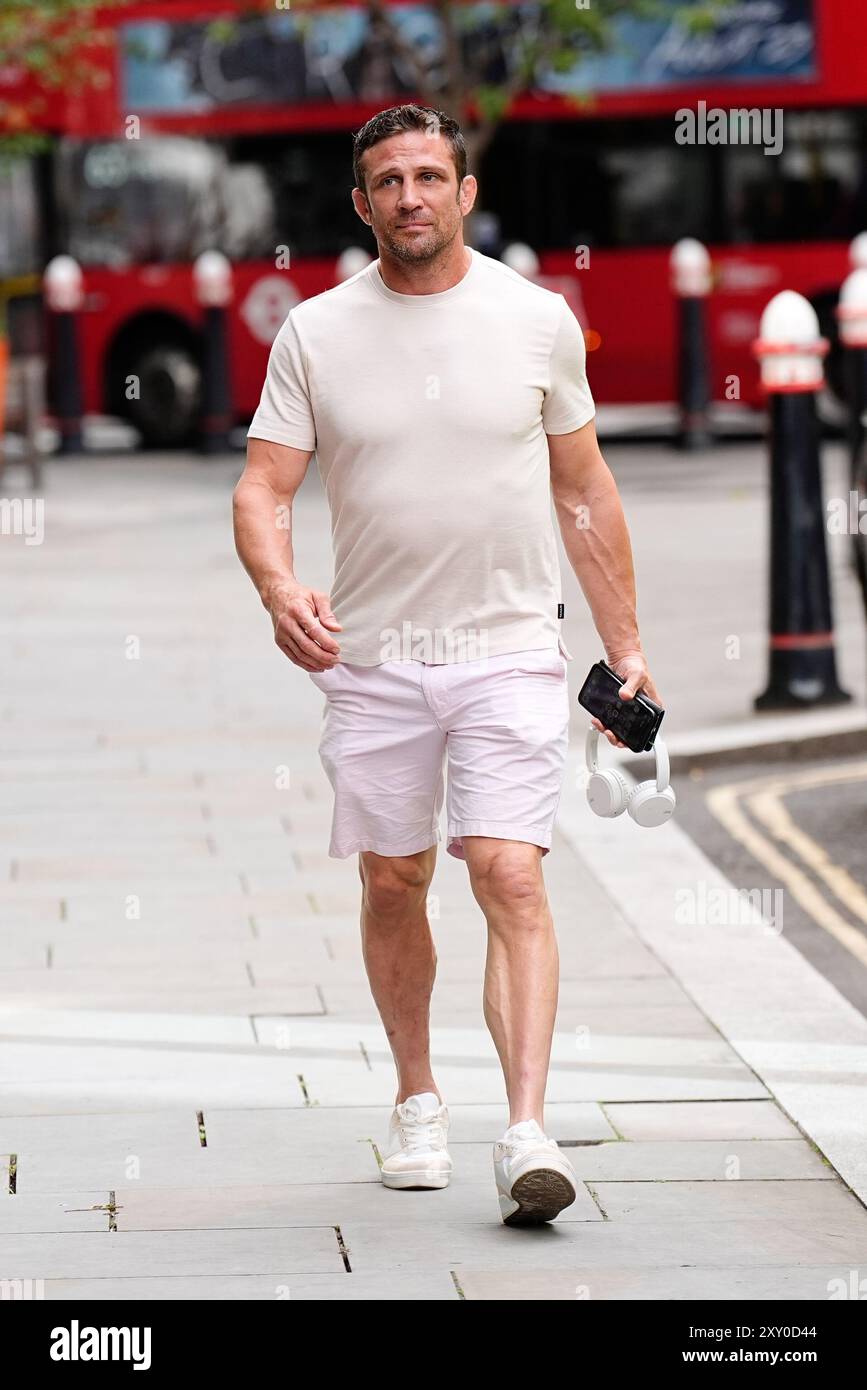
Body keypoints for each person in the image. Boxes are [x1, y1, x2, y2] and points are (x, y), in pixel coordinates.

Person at [233, 103, 662, 1227]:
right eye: (389, 180)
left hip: (511, 646)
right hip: (372, 658)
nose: (411, 195)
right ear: (362, 203)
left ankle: (528, 1129)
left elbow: (584, 491)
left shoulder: (534, 321)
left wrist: (628, 655)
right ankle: (418, 1096)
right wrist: (282, 589)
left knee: (509, 870)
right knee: (393, 878)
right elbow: (264, 489)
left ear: (466, 192)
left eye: (430, 174)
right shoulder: (316, 334)